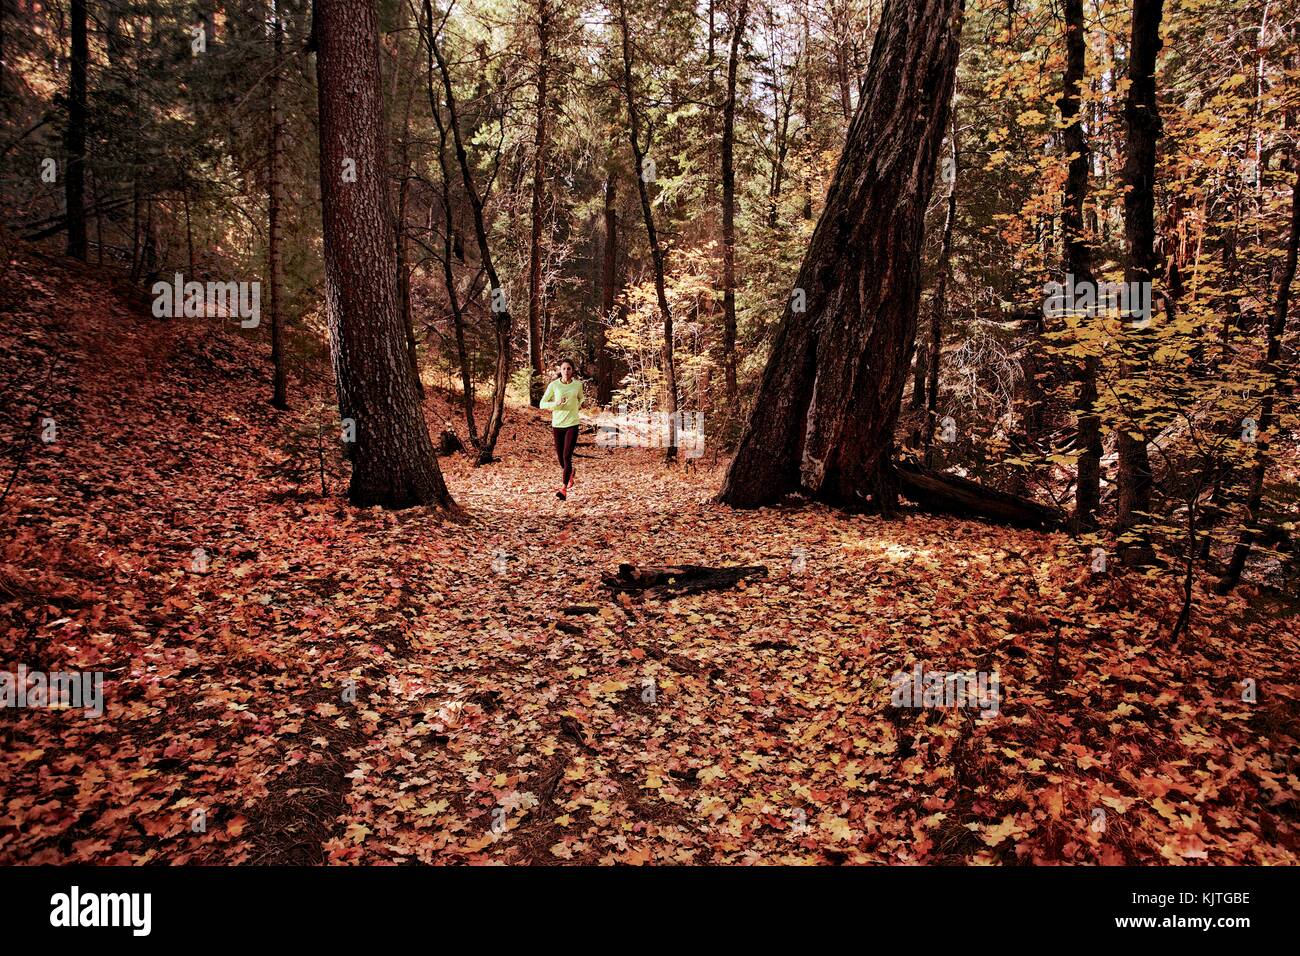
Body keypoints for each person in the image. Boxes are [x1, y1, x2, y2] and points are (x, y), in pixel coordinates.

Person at [539, 358, 584, 500]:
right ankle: (570, 473)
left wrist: (578, 406)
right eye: (564, 368)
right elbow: (542, 404)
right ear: (560, 370)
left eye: (569, 368)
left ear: (572, 370)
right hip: (557, 424)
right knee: (561, 459)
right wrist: (556, 403)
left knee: (566, 456)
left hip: (572, 423)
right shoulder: (554, 385)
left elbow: (581, 398)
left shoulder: (577, 385)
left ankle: (563, 489)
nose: (566, 371)